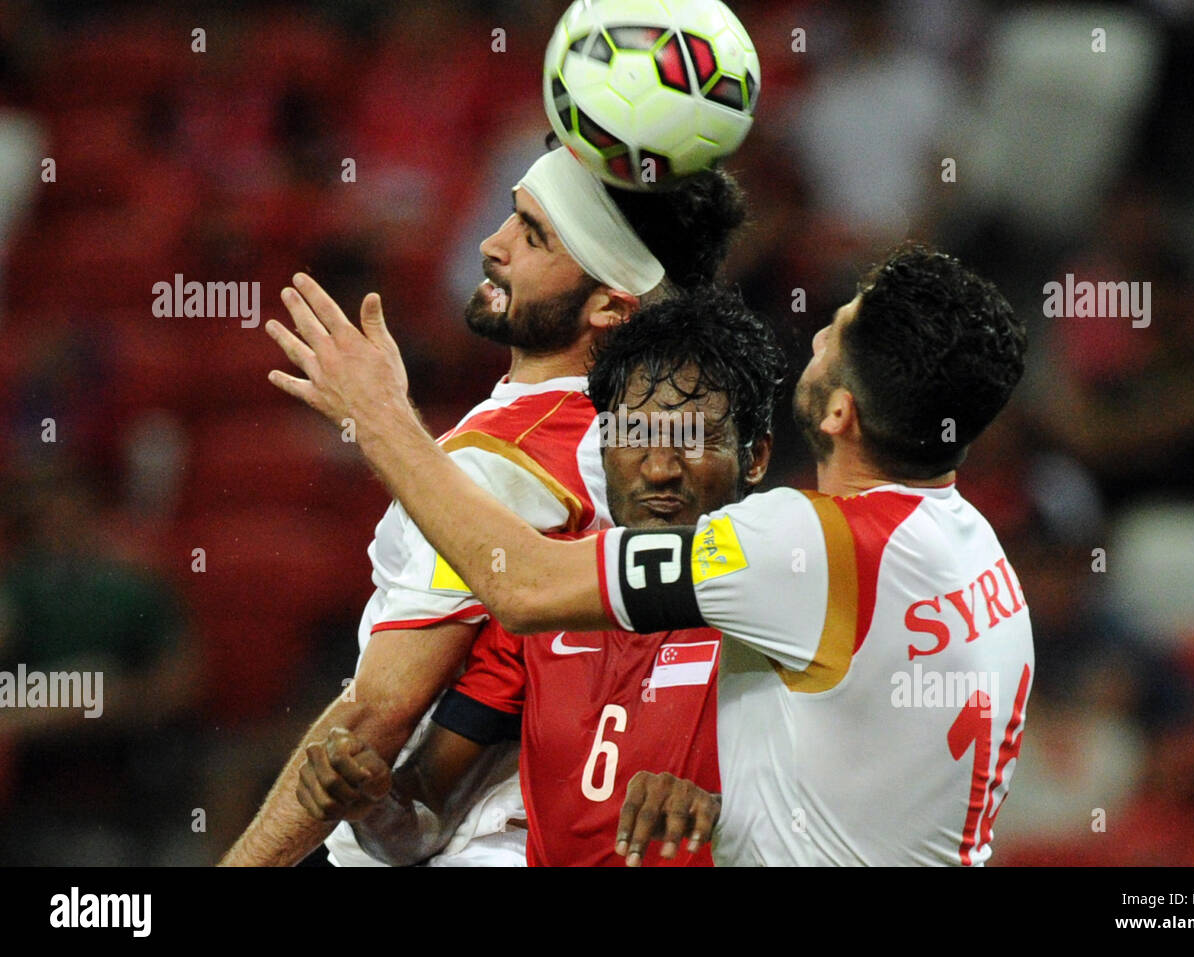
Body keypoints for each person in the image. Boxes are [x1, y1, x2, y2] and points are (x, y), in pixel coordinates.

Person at [266, 242, 1034, 866]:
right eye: (638, 432)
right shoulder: (982, 565)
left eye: (837, 327)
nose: (662, 464)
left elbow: (525, 583)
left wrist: (379, 418)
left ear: (832, 415)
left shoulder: (797, 551)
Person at [221, 146, 745, 867]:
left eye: (533, 236)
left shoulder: (515, 459)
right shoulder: (617, 442)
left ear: (608, 306)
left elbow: (377, 712)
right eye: (512, 214)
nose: (491, 244)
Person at [293, 287, 783, 867]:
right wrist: (369, 806)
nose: (659, 468)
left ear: (754, 457)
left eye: (693, 438)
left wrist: (730, 814)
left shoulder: (790, 590)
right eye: (636, 435)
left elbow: (871, 806)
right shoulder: (546, 602)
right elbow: (418, 824)